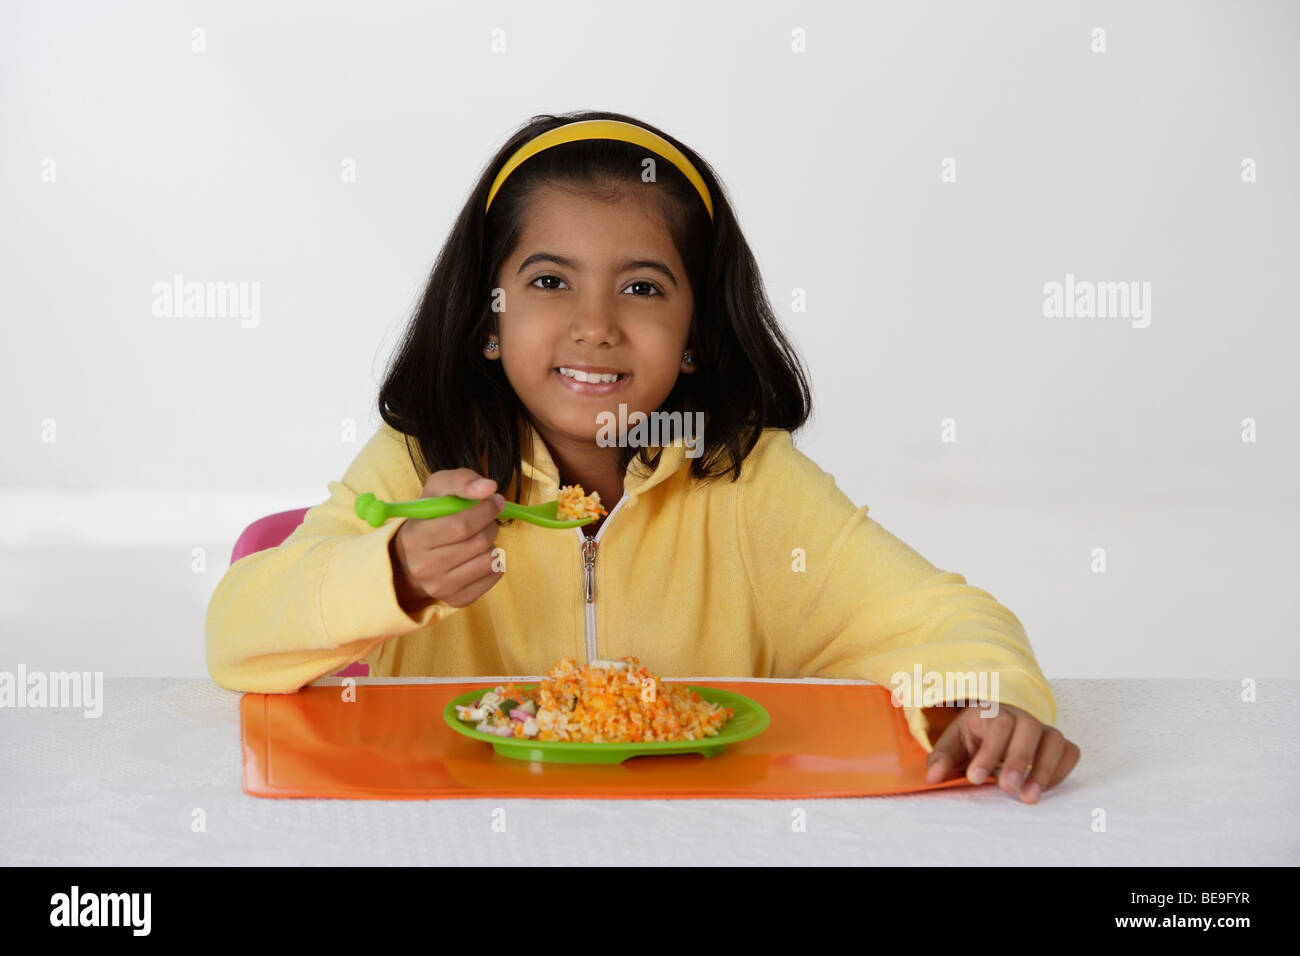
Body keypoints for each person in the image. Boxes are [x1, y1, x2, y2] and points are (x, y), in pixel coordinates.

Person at [206, 110, 1080, 802]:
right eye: (550, 282)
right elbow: (237, 630)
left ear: (695, 334)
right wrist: (394, 571)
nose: (596, 325)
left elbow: (935, 618)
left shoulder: (747, 479)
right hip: (464, 832)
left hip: (699, 836)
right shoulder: (423, 461)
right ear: (487, 318)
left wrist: (989, 699)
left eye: (642, 287)